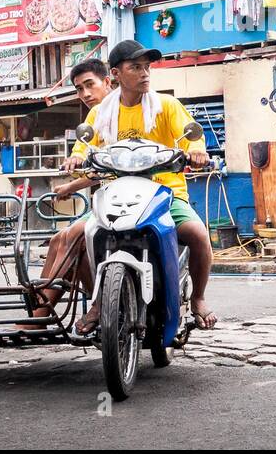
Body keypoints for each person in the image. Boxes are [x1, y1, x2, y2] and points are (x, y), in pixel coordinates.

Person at [66, 41, 218, 333]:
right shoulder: (100, 114)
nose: (145, 73)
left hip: (164, 193)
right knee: (84, 236)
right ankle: (98, 303)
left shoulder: (166, 106)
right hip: (114, 195)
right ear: (116, 74)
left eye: (147, 67)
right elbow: (84, 147)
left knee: (198, 234)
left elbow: (191, 137)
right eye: (136, 67)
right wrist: (75, 158)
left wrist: (197, 151)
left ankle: (198, 297)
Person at [31, 59, 116, 326]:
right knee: (58, 239)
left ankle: (41, 315)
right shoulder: (94, 117)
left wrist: (74, 184)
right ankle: (38, 308)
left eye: (90, 85)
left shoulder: (130, 109)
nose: (86, 94)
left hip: (130, 197)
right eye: (80, 89)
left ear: (108, 81)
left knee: (73, 236)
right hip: (107, 197)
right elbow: (92, 163)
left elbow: (112, 167)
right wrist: (71, 179)